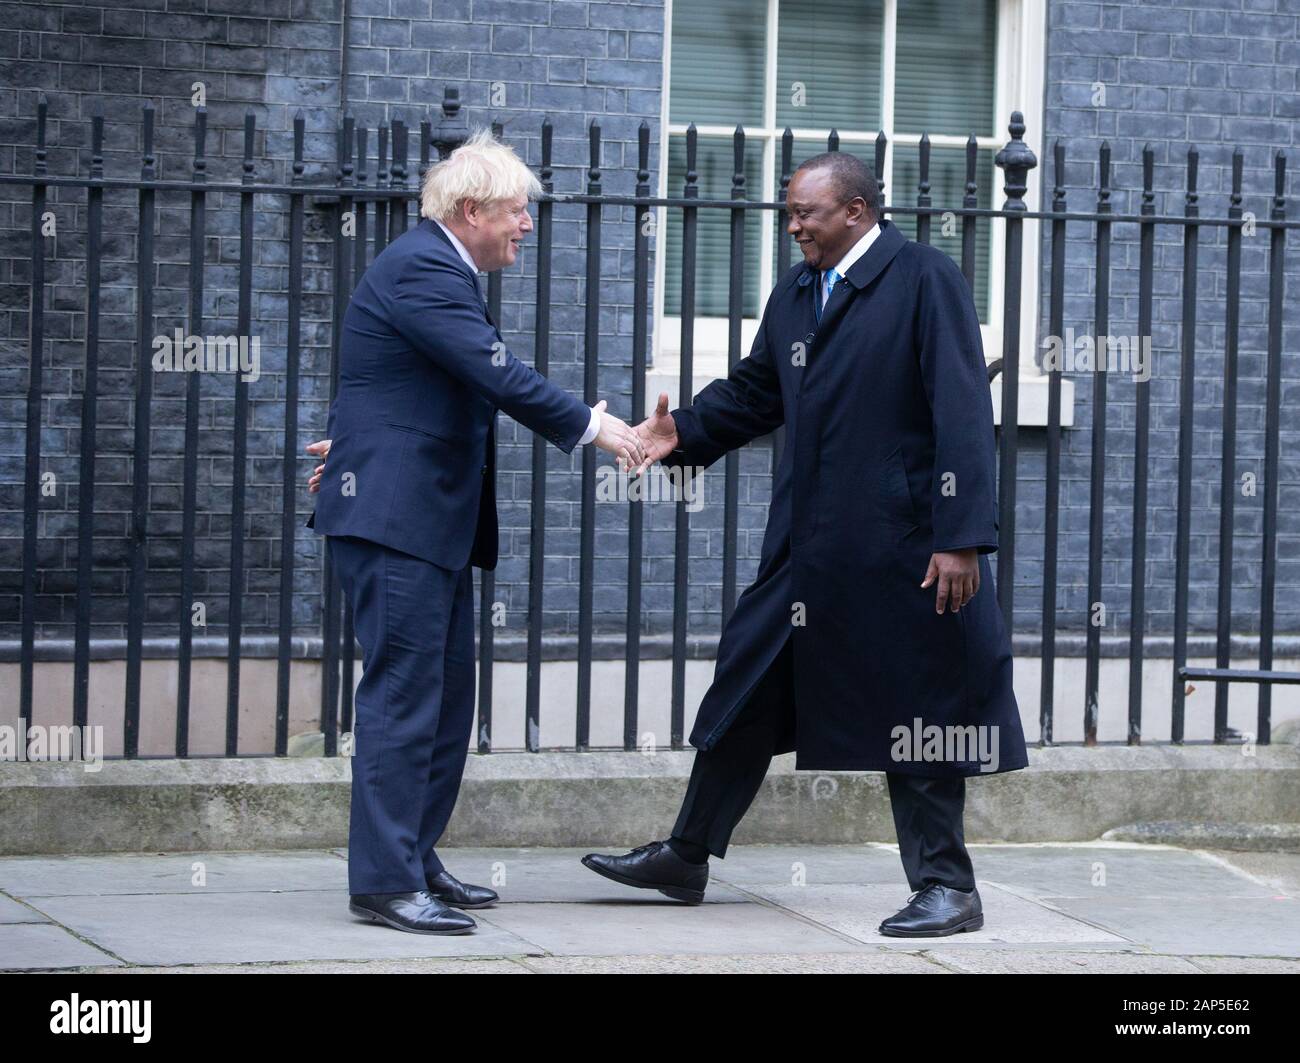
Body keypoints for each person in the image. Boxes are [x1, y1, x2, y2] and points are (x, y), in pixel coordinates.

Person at [582, 151, 1028, 937]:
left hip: (904, 544)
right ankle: (687, 854)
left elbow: (962, 408)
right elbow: (758, 391)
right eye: (790, 214)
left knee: (916, 706)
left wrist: (962, 539)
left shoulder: (925, 278)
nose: (793, 227)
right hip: (806, 543)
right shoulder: (797, 291)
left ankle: (948, 887)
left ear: (856, 211)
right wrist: (677, 430)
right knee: (747, 684)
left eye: (805, 214)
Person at [305, 128, 644, 935]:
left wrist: (352, 438)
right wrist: (600, 430)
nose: (526, 224)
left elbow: (391, 379)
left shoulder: (437, 269)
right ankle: (384, 881)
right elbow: (495, 374)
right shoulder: (426, 267)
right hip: (397, 524)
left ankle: (415, 856)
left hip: (423, 519)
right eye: (516, 210)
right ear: (470, 210)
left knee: (447, 701)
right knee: (404, 699)